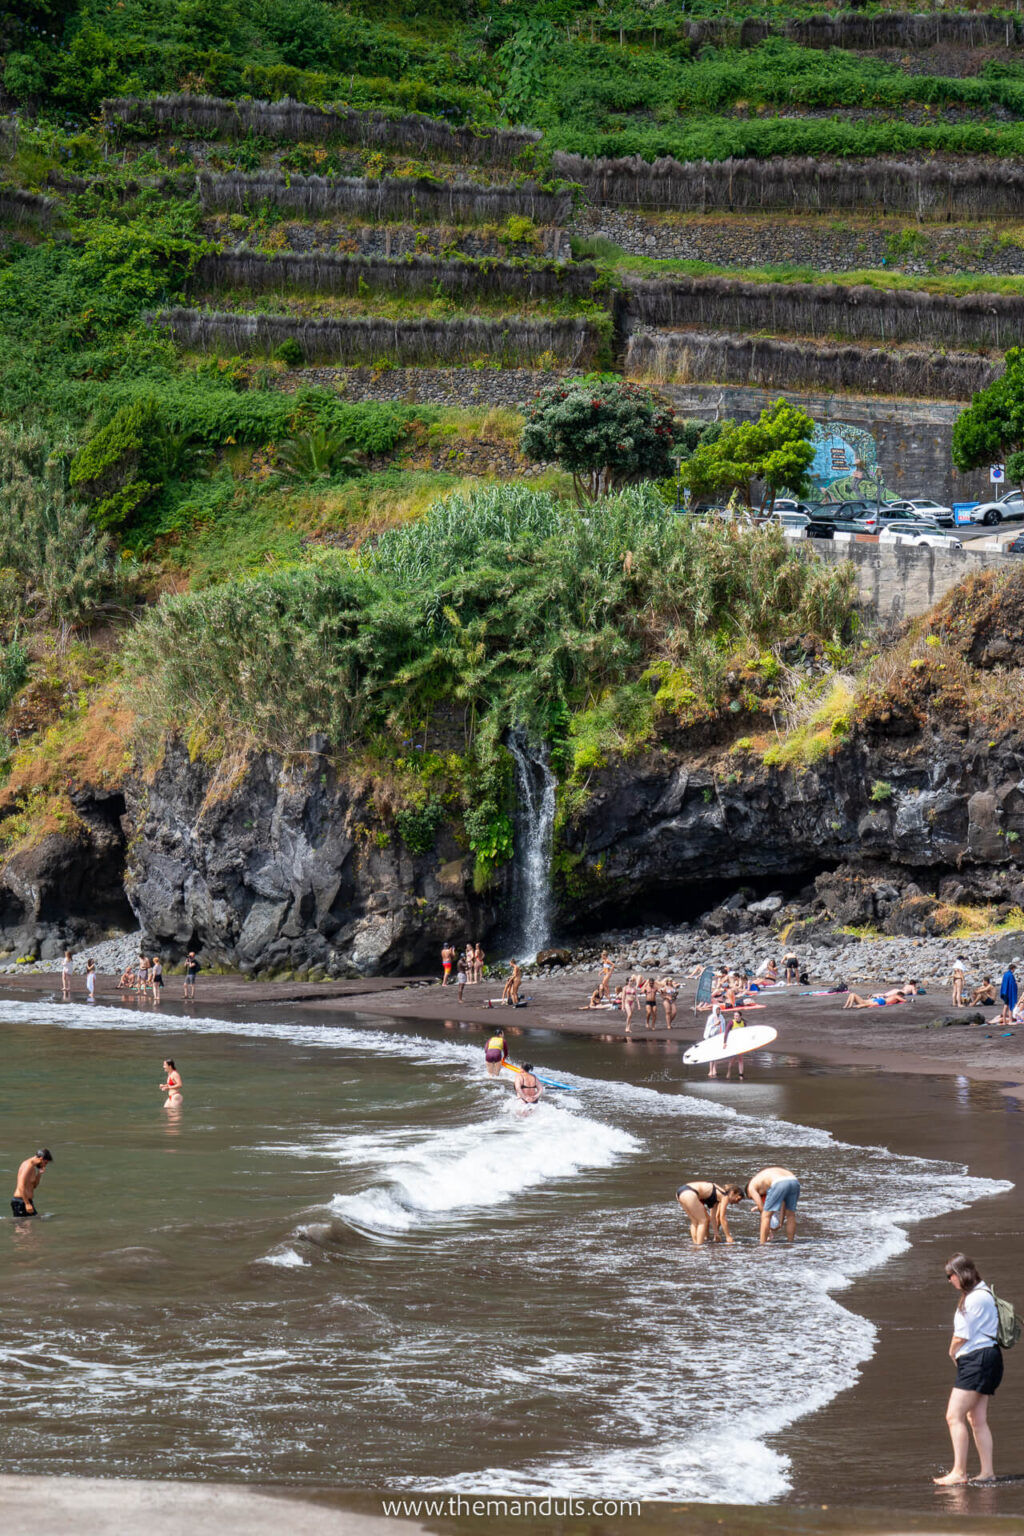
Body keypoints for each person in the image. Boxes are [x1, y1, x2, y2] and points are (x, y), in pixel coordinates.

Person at [933, 1252, 1002, 1486]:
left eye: (949, 1275)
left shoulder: (973, 1299)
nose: (949, 1280)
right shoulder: (985, 1293)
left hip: (976, 1361)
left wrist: (951, 1352)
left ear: (959, 1274)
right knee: (976, 1418)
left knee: (954, 1415)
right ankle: (987, 1472)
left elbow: (961, 1336)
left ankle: (959, 1472)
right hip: (989, 1357)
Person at [675, 1180, 746, 1246]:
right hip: (690, 1192)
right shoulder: (725, 1196)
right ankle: (699, 1246)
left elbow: (713, 1217)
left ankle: (695, 1244)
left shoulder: (717, 1197)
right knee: (703, 1221)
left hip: (681, 1192)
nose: (737, 1202)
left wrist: (716, 1234)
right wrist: (728, 1236)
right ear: (733, 1192)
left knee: (695, 1221)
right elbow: (722, 1218)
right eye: (738, 1199)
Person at [746, 1166, 800, 1244]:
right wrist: (780, 1221)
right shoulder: (761, 1177)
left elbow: (761, 1208)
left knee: (765, 1215)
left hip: (778, 1182)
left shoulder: (751, 1187)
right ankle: (790, 1242)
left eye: (751, 1198)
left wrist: (769, 1230)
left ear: (748, 1192)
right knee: (791, 1215)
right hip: (794, 1180)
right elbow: (783, 1204)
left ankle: (762, 1244)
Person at [11, 1149, 52, 1218]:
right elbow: (21, 1185)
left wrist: (39, 1174)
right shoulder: (28, 1165)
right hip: (21, 1202)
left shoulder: (32, 1167)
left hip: (25, 1201)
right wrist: (27, 1203)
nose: (45, 1165)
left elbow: (34, 1186)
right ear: (41, 1159)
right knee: (23, 1226)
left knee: (32, 1224)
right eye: (45, 1163)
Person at [999, 962, 1018, 1027]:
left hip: (1004, 992)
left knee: (1005, 1006)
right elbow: (1012, 985)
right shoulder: (1010, 975)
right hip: (1009, 992)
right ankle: (1010, 1021)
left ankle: (1004, 1021)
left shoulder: (1005, 974)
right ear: (1012, 969)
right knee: (1010, 1006)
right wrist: (1015, 984)